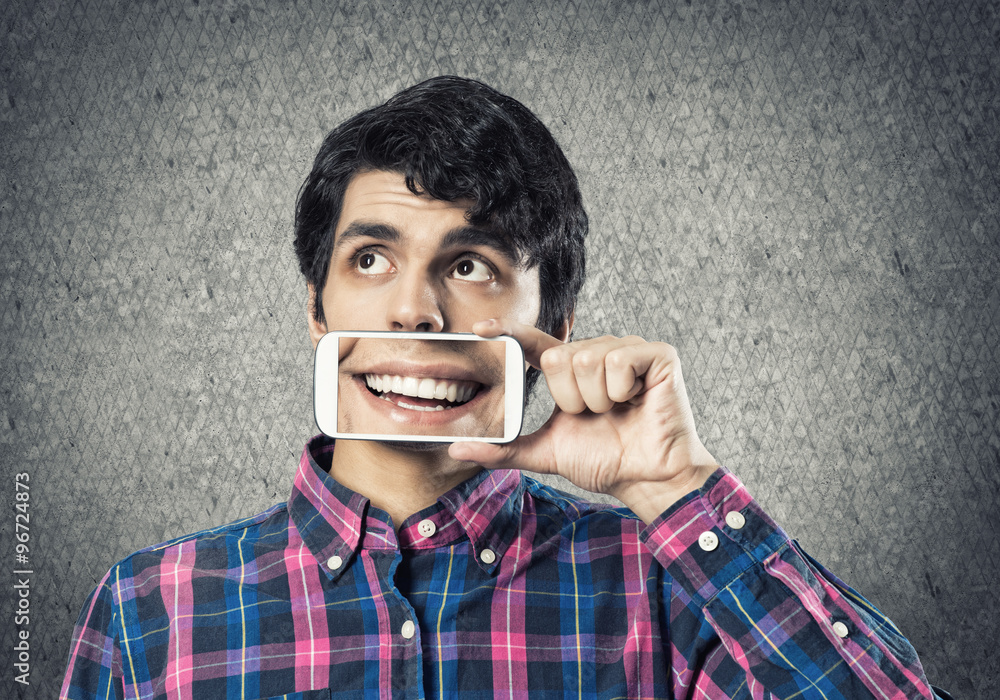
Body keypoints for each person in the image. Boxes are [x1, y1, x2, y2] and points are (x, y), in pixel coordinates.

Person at [61, 76, 949, 699]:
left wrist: (677, 490)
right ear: (318, 311)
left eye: (472, 265)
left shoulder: (670, 590)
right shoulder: (152, 610)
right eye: (370, 259)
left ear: (553, 331)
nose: (413, 311)